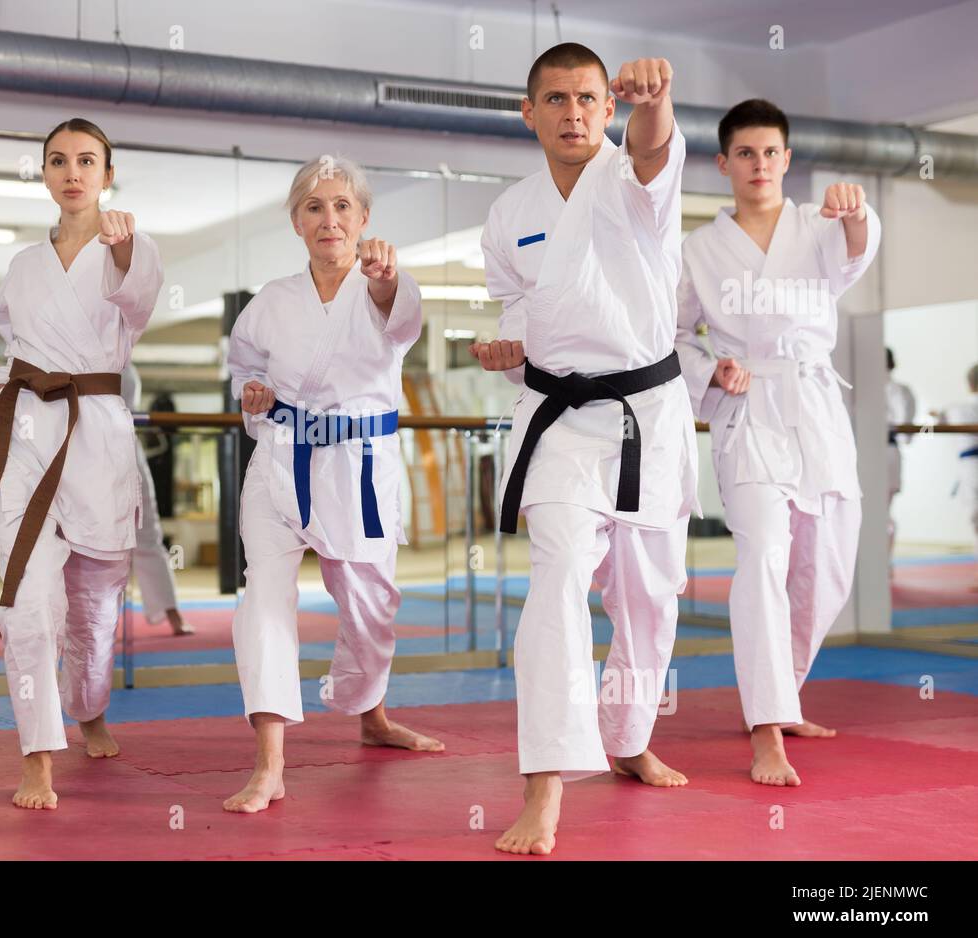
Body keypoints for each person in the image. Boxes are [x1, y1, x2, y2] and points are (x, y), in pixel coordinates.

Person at [473, 44, 697, 855]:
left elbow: (655, 149)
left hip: (646, 413)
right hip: (559, 418)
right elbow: (514, 308)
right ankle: (546, 783)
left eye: (588, 99)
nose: (573, 113)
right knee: (558, 576)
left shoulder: (635, 178)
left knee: (647, 596)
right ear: (528, 112)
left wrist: (657, 99)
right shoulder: (509, 212)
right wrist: (502, 344)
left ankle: (630, 735)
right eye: (557, 99)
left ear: (609, 108)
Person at [223, 153, 444, 814]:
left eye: (342, 206)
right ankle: (270, 762)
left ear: (363, 219)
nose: (329, 219)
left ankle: (368, 712)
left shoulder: (383, 283)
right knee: (264, 599)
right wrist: (253, 393)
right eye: (315, 207)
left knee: (372, 607)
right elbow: (244, 369)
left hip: (359, 469)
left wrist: (384, 278)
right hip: (282, 461)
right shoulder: (272, 301)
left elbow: (398, 318)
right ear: (297, 221)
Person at [675, 98, 881, 786]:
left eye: (770, 153)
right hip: (749, 407)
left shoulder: (820, 227)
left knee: (829, 561)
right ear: (723, 164)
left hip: (816, 404)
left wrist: (856, 213)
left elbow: (857, 252)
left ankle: (780, 691)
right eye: (745, 154)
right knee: (763, 555)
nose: (759, 165)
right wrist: (710, 368)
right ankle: (766, 730)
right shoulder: (699, 249)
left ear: (787, 160)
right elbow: (672, 338)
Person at [0, 117, 163, 811]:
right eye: (58, 160)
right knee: (26, 601)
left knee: (95, 605)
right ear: (45, 174)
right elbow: (19, 340)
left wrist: (126, 244)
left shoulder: (130, 249)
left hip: (95, 436)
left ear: (108, 174)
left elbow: (135, 301)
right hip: (22, 428)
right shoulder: (23, 264)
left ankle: (90, 707)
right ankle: (38, 756)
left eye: (87, 161)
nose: (72, 172)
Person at [123, 361, 193, 636]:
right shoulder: (75, 350)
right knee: (85, 543)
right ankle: (82, 620)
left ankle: (170, 609)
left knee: (148, 531)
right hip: (84, 452)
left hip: (127, 447)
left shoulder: (125, 361)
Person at [935, 364, 978, 590]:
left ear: (969, 384)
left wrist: (937, 415)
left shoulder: (956, 409)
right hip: (969, 465)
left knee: (976, 519)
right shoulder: (957, 408)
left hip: (971, 467)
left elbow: (938, 423)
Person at [885, 347, 917, 565]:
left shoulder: (897, 389)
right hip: (885, 451)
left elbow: (905, 429)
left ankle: (882, 563)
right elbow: (906, 432)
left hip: (884, 451)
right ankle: (882, 563)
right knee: (882, 510)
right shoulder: (899, 389)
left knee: (881, 511)